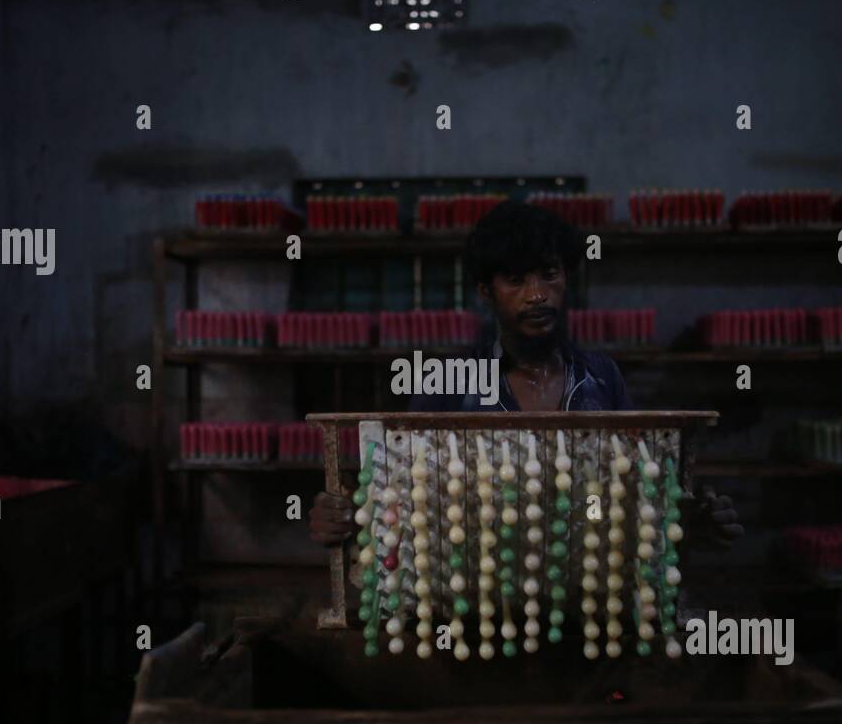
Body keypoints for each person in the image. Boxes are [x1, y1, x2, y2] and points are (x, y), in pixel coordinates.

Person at [310, 200, 742, 549]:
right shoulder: (448, 382)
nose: (537, 294)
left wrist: (689, 518)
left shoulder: (600, 379)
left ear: (566, 278)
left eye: (549, 274)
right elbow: (397, 499)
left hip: (582, 592)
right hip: (472, 596)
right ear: (485, 291)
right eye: (515, 280)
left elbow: (634, 493)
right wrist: (347, 515)